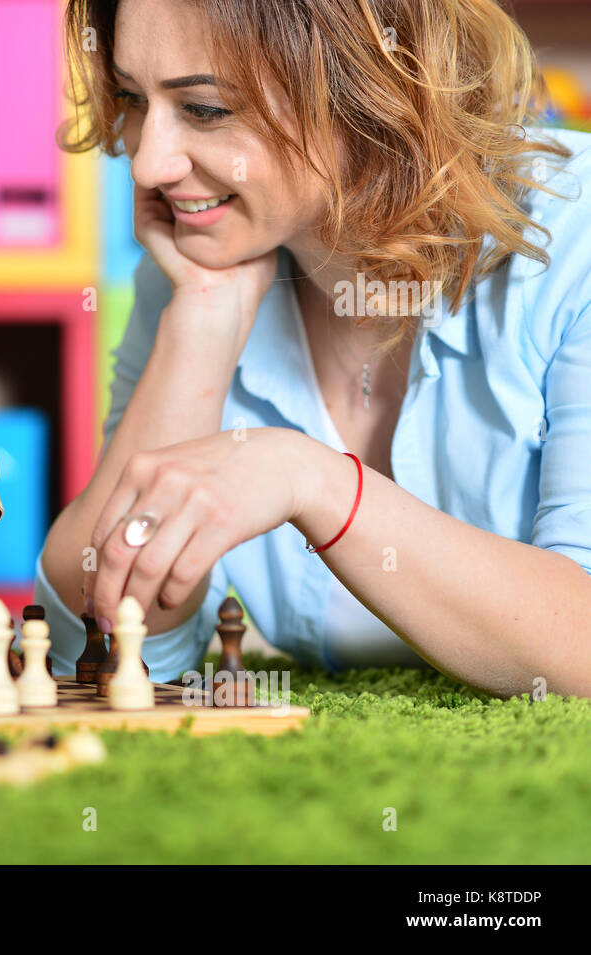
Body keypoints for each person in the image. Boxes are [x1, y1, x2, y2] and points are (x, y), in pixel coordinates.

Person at [36, 0, 591, 697]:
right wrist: (205, 321)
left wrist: (314, 481)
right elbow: (106, 650)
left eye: (204, 108)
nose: (148, 164)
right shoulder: (195, 267)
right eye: (133, 99)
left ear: (367, 87)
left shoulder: (578, 241)